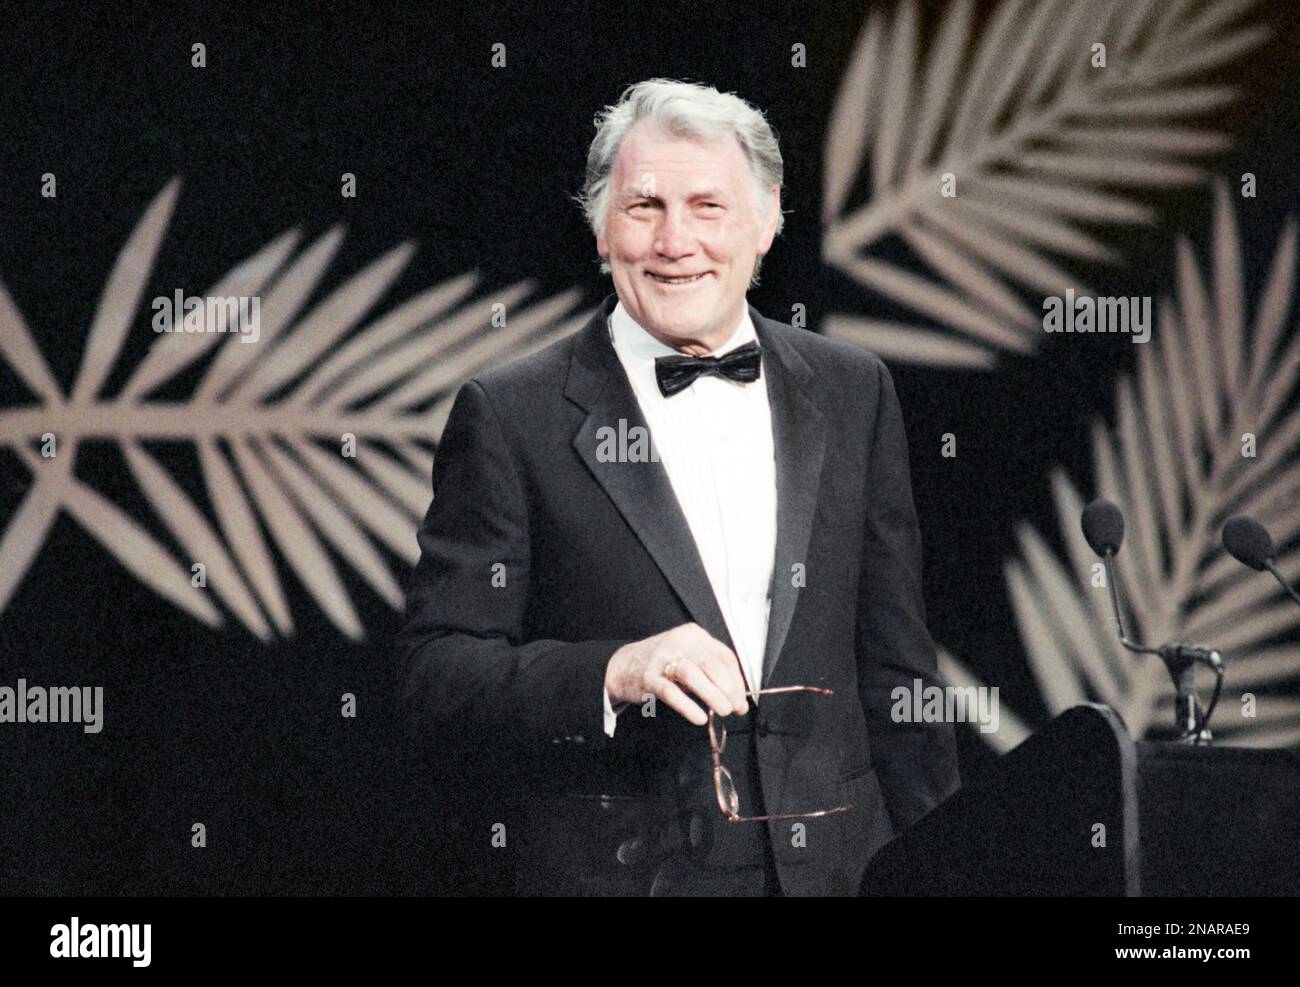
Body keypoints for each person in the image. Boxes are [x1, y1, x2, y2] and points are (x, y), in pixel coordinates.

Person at [397, 78, 959, 896]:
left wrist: (943, 863)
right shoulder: (510, 414)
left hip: (845, 872)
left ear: (767, 222)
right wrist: (616, 670)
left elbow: (898, 663)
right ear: (600, 227)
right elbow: (436, 675)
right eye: (644, 207)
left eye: (708, 206)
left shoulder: (851, 389)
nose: (675, 241)